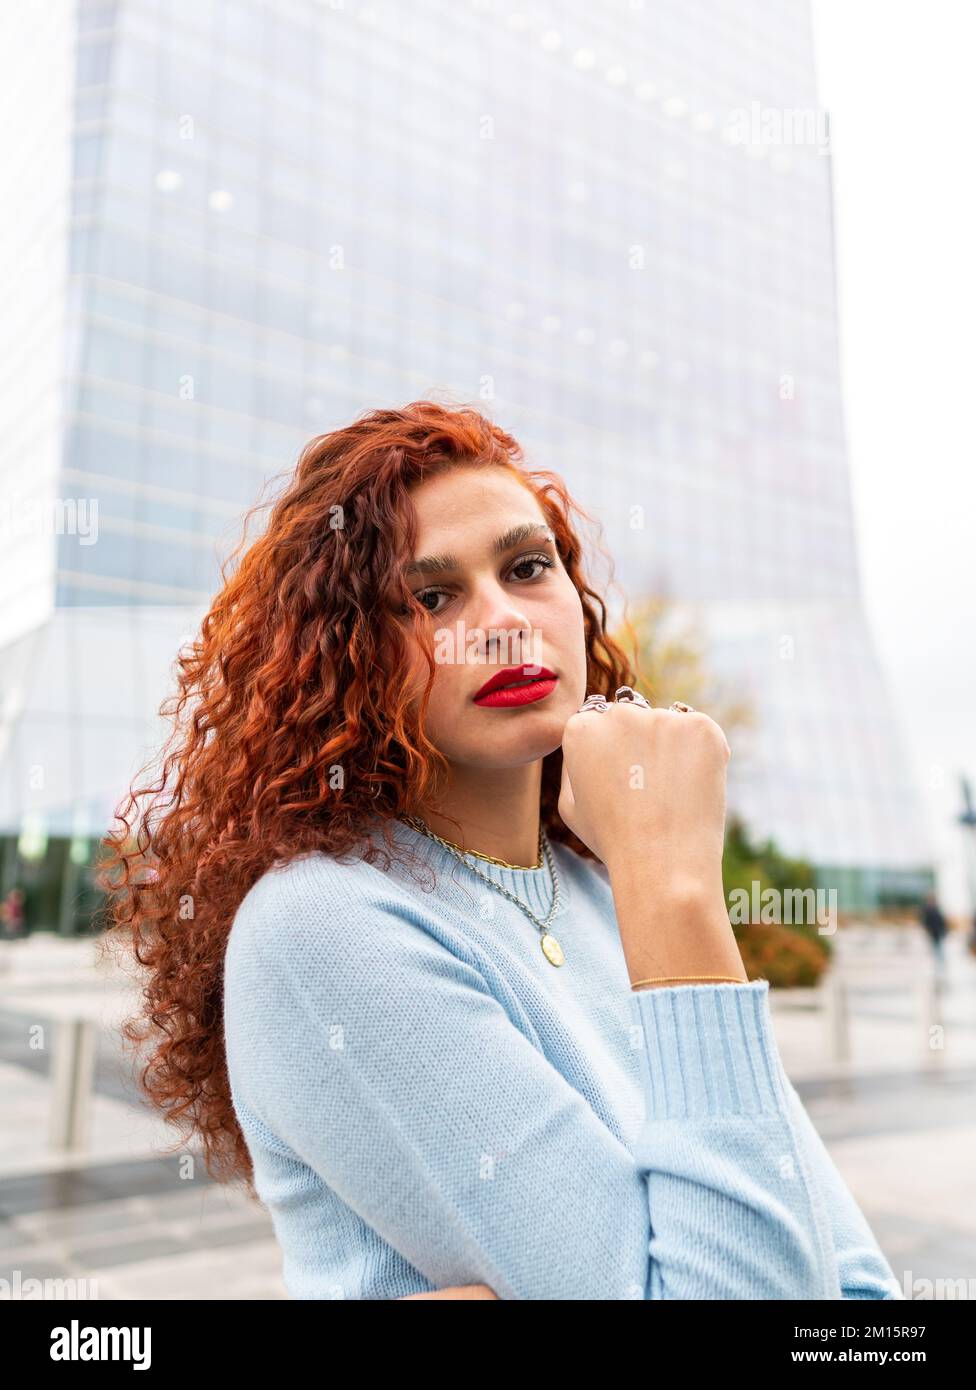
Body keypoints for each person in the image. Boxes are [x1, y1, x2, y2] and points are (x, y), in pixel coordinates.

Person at [99, 400, 903, 1301]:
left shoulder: (598, 885)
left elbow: (860, 1289)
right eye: (431, 596)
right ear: (346, 650)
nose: (504, 622)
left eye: (527, 568)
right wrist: (676, 891)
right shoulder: (324, 927)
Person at [919, 889, 949, 978]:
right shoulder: (926, 909)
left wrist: (944, 930)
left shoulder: (936, 908)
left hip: (939, 933)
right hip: (933, 933)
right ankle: (938, 967)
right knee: (936, 950)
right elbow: (924, 922)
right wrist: (928, 931)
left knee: (940, 950)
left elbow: (942, 921)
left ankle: (941, 966)